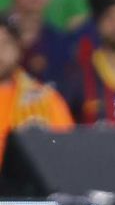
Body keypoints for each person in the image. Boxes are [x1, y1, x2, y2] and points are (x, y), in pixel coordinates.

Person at [0, 13, 73, 166]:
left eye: (6, 44)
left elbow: (66, 154)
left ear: (19, 49)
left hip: (27, 187)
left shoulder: (46, 99)